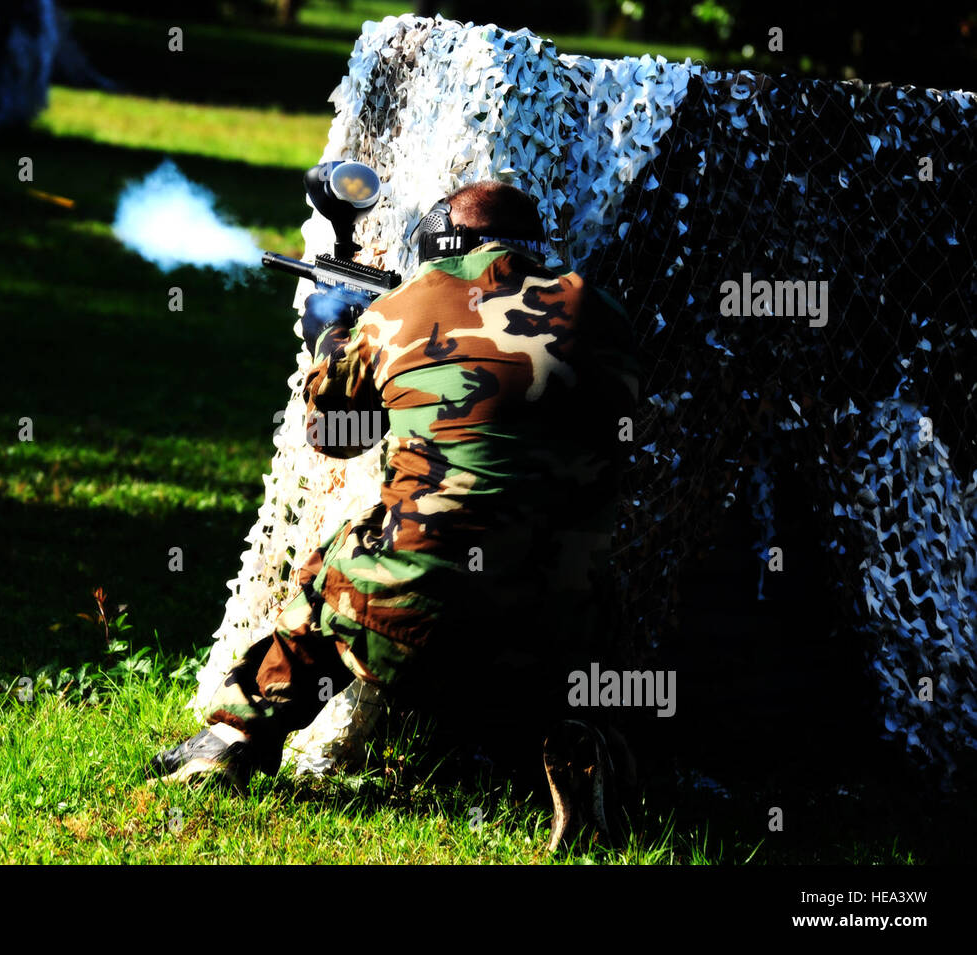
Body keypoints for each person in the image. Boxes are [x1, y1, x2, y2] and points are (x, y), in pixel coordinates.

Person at [151, 181, 641, 848]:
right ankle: (579, 738)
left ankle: (233, 737)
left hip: (412, 614)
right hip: (557, 626)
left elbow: (338, 433)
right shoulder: (603, 311)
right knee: (591, 600)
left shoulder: (397, 314)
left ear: (441, 244)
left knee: (332, 576)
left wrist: (330, 335)